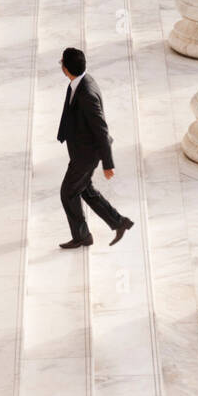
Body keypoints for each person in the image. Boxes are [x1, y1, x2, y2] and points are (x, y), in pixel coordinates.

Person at [56, 47, 134, 249]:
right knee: (85, 190)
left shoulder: (87, 93)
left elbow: (101, 130)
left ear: (66, 68)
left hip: (87, 154)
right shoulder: (80, 82)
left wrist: (108, 164)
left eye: (61, 62)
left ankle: (82, 236)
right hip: (82, 151)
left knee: (68, 192)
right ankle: (119, 222)